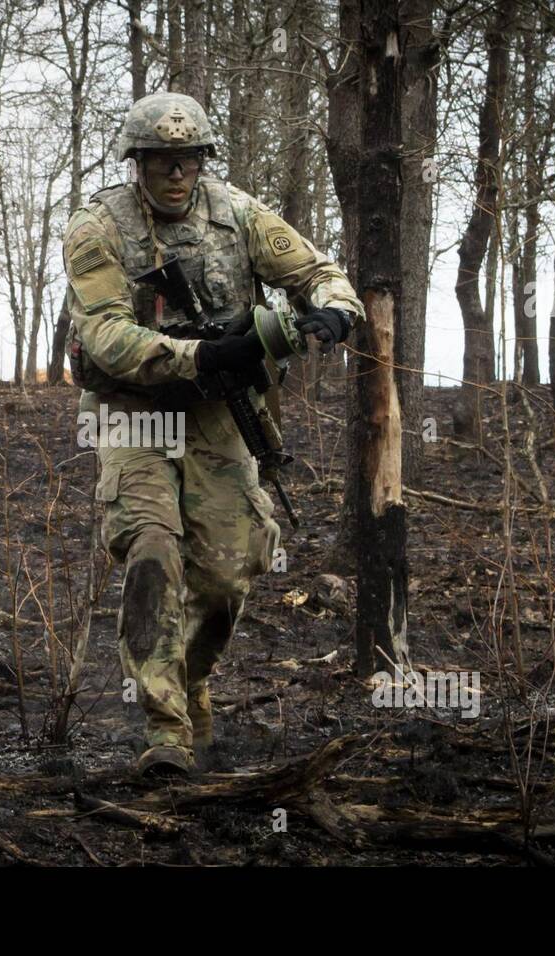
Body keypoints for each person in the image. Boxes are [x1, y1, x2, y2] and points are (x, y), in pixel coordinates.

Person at [61, 91, 365, 777]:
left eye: (190, 159)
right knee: (151, 548)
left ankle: (188, 679)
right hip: (133, 407)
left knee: (228, 576)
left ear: (204, 161)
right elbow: (106, 335)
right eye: (162, 160)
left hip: (216, 413)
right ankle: (165, 731)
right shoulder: (95, 227)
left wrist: (334, 314)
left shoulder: (239, 214)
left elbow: (318, 271)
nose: (176, 174)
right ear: (137, 162)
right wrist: (203, 353)